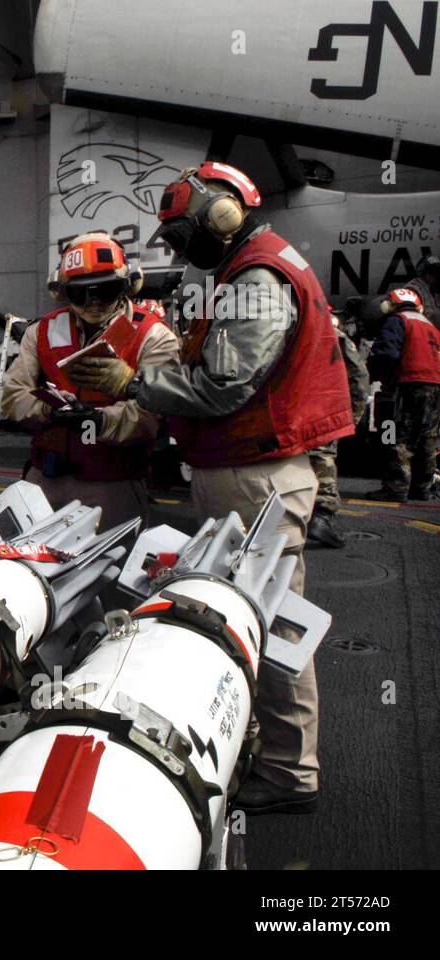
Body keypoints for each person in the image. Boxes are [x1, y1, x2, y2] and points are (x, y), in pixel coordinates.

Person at [68, 162, 354, 815]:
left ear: (219, 216)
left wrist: (132, 384)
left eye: (180, 232)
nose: (177, 247)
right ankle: (272, 748)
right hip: (248, 473)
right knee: (251, 615)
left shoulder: (255, 279)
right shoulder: (253, 269)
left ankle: (289, 770)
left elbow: (223, 387)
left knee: (270, 620)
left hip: (255, 477)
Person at [0, 232, 179, 530]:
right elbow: (11, 395)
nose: (93, 303)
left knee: (108, 569)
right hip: (45, 479)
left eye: (106, 291)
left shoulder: (153, 337)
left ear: (126, 286)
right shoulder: (41, 332)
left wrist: (97, 420)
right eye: (81, 294)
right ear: (63, 293)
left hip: (112, 484)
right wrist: (48, 410)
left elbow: (152, 414)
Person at [363, 287, 440, 501]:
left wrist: (375, 373)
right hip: (434, 387)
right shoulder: (430, 325)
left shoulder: (397, 320)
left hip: (407, 385)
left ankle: (395, 487)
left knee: (395, 433)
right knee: (427, 437)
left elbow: (386, 354)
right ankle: (422, 487)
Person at [308, 307, 372, 547]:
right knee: (322, 455)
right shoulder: (335, 335)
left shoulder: (284, 331)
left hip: (289, 407)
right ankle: (322, 517)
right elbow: (358, 375)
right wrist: (354, 415)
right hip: (323, 404)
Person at [406, 254, 440, 323]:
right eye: (432, 272)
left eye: (438, 272)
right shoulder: (413, 289)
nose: (435, 275)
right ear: (423, 272)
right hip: (425, 330)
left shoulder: (434, 286)